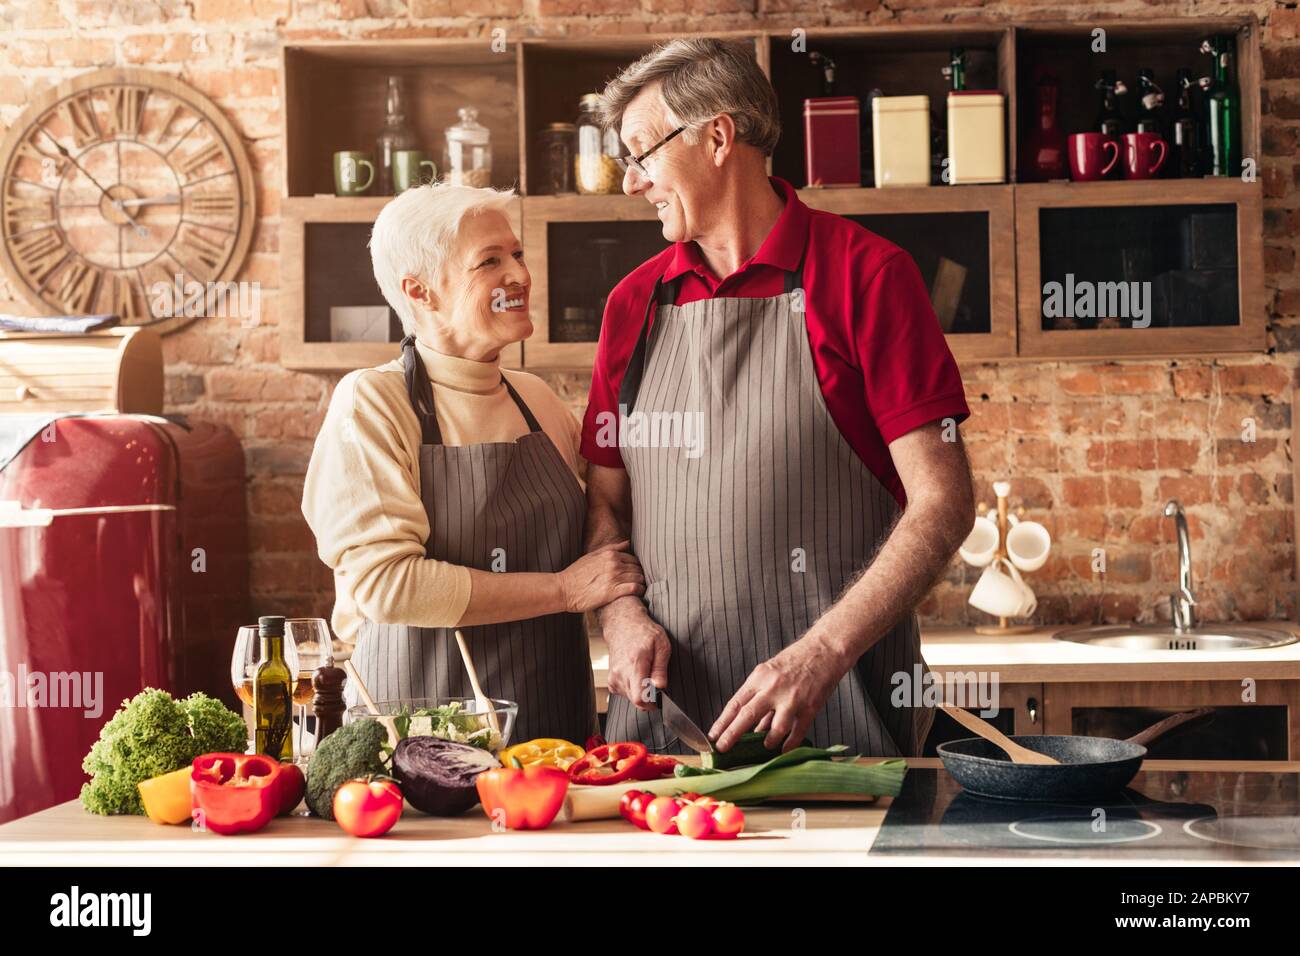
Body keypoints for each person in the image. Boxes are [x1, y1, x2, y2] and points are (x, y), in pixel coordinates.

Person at [582, 38, 976, 758]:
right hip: (666, 736)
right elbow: (606, 504)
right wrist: (620, 617)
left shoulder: (869, 277)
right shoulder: (630, 306)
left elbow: (943, 500)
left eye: (642, 153)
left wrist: (822, 653)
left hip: (841, 724)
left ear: (718, 137)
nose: (633, 182)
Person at [302, 183, 642, 744]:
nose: (520, 275)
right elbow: (388, 587)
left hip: (552, 734)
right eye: (489, 261)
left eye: (518, 254)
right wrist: (563, 591)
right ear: (420, 291)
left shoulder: (539, 401)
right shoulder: (372, 403)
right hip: (417, 736)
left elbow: (599, 535)